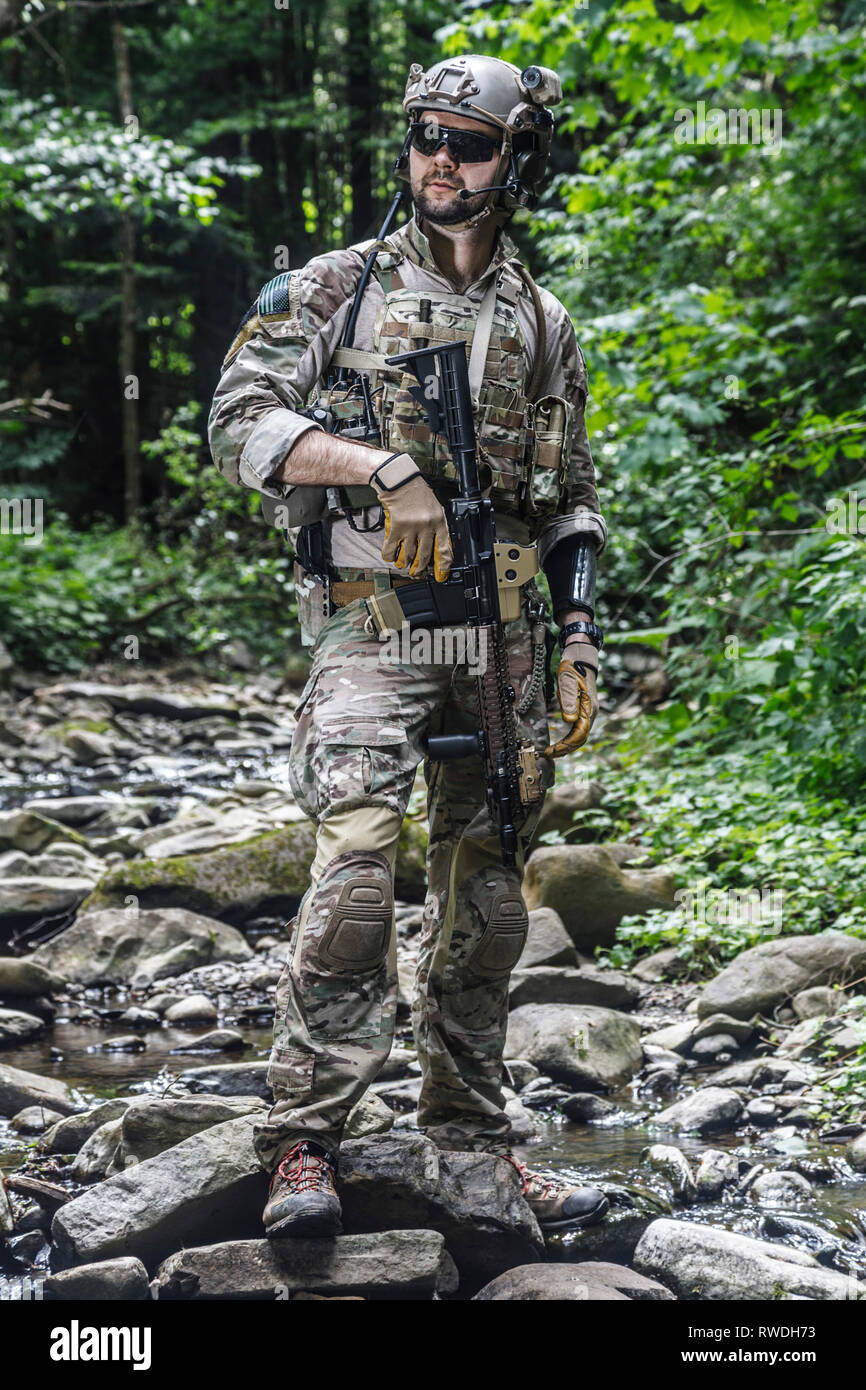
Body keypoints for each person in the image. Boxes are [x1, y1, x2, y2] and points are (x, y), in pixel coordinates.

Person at [209, 54, 609, 1240]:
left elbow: (574, 497)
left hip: (503, 634)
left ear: (511, 162)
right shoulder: (327, 291)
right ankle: (302, 1141)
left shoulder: (543, 323)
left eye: (470, 142)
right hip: (371, 617)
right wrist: (380, 466)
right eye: (426, 135)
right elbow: (238, 422)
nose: (441, 157)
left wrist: (577, 638)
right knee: (356, 871)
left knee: (485, 896)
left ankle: (472, 1139)